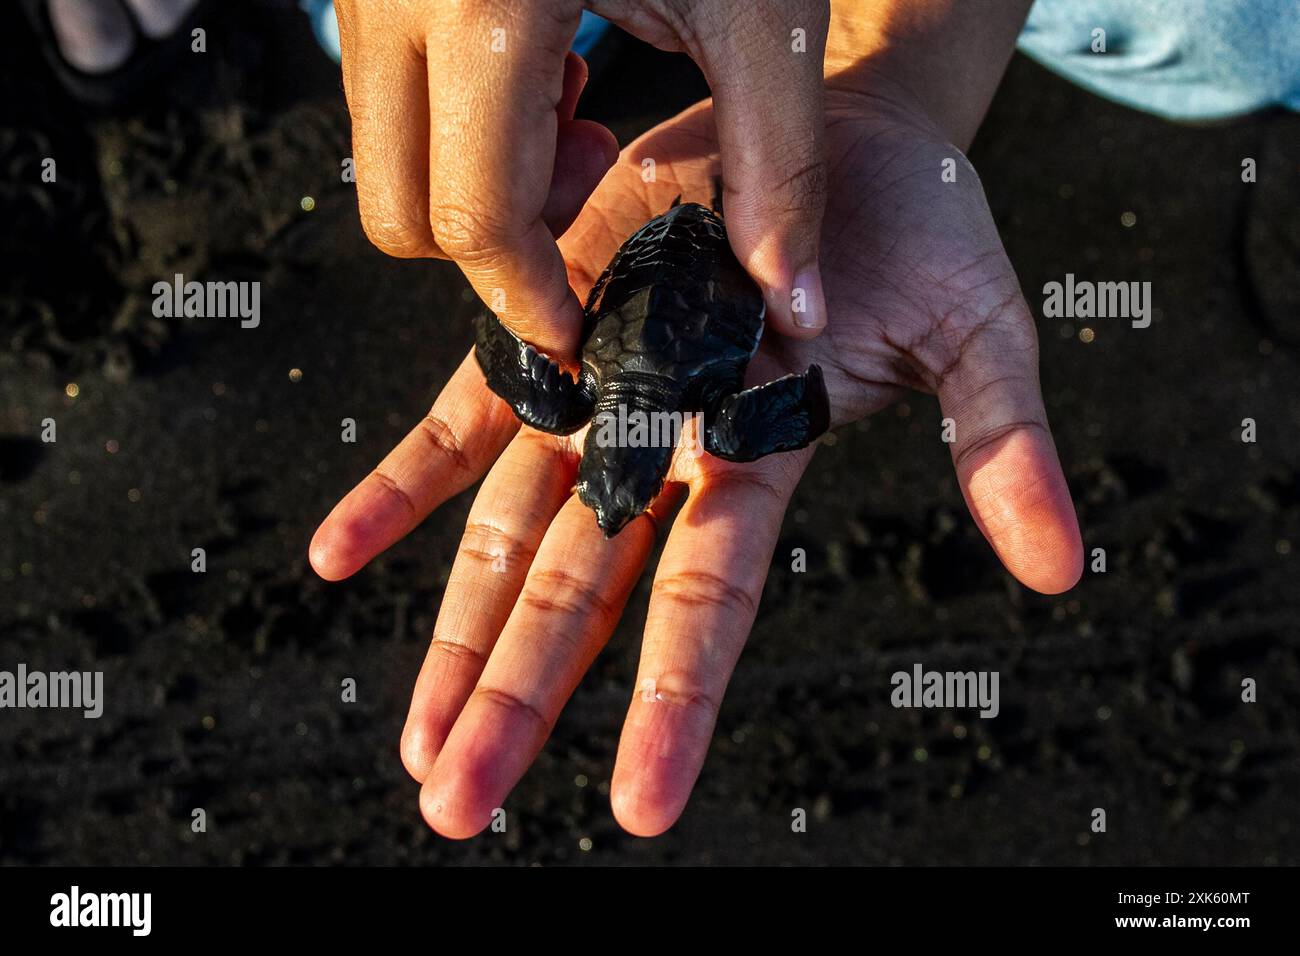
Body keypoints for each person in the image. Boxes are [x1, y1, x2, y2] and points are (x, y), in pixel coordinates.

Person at [307, 0, 1300, 838]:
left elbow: (736, 394)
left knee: (1249, 32)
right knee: (395, 53)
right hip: (685, 257)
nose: (628, 491)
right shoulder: (639, 404)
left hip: (681, 248)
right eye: (635, 484)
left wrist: (890, 75)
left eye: (629, 477)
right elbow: (576, 362)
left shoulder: (623, 401)